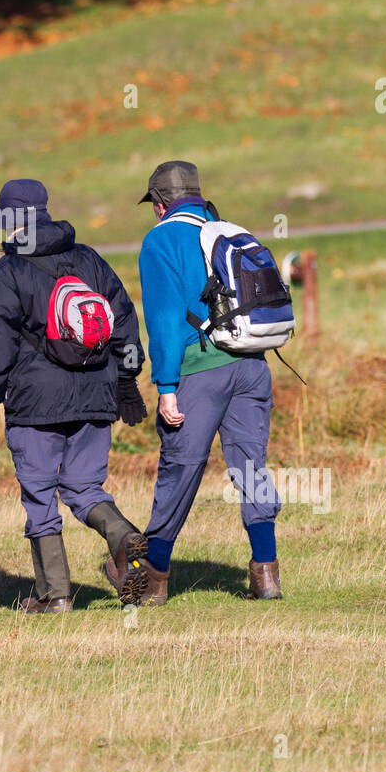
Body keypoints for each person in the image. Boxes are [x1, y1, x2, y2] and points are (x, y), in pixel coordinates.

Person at [0, 178, 148, 613]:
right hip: (96, 392)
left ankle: (55, 596)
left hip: (35, 404)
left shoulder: (7, 272)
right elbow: (123, 320)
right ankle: (124, 537)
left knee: (39, 496)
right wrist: (125, 380)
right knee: (85, 487)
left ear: (9, 221)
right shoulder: (89, 259)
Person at [135, 160, 283, 605]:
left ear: (159, 205)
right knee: (251, 467)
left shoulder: (160, 239)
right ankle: (266, 573)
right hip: (253, 364)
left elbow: (162, 320)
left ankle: (153, 579)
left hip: (201, 371)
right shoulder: (228, 230)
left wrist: (164, 387)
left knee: (180, 470)